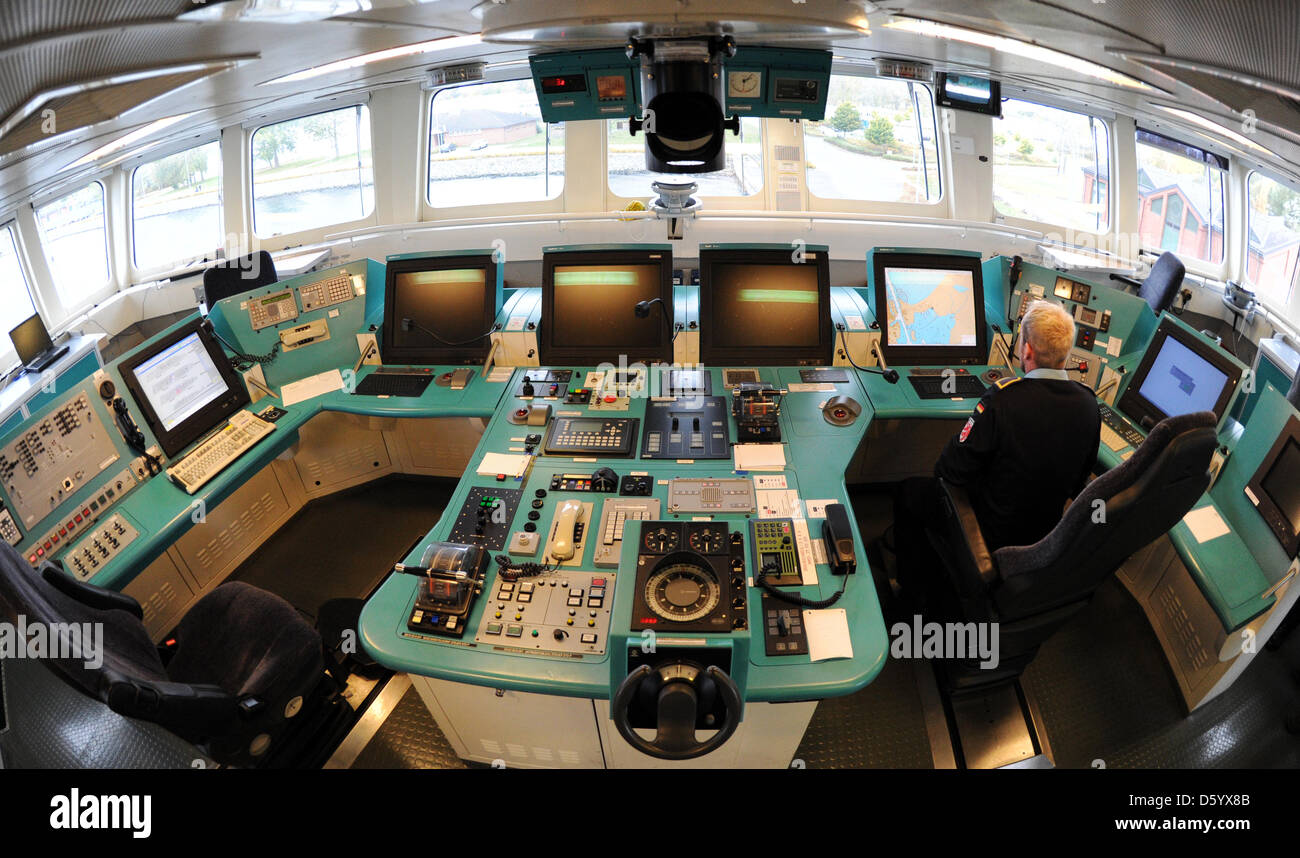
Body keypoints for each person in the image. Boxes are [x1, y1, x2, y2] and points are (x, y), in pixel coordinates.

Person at [892, 300, 1101, 610]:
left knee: (909, 493)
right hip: (1043, 539)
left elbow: (948, 472)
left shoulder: (1004, 399)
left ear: (1027, 350)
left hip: (988, 534)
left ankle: (910, 597)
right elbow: (1078, 483)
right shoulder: (1089, 405)